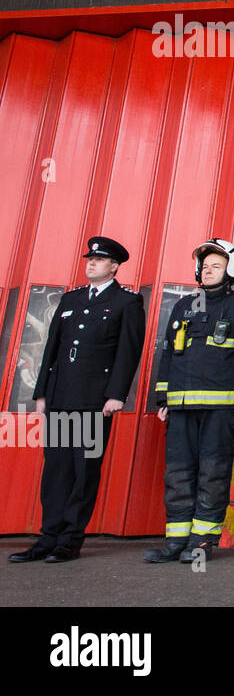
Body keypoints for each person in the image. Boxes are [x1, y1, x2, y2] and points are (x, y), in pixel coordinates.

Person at [10, 237, 145, 564]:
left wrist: (116, 395)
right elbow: (51, 349)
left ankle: (69, 540)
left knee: (83, 470)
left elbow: (128, 353)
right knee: (56, 469)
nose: (91, 264)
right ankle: (47, 537)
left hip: (93, 401)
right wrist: (41, 392)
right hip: (61, 396)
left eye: (99, 260)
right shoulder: (71, 299)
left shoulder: (127, 302)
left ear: (114, 266)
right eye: (90, 259)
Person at [142, 238, 234, 563]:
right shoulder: (184, 306)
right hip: (181, 409)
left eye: (217, 266)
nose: (209, 271)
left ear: (231, 270)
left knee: (212, 473)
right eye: (206, 266)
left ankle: (201, 543)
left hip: (221, 409)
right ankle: (175, 540)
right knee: (178, 474)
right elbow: (168, 353)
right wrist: (163, 397)